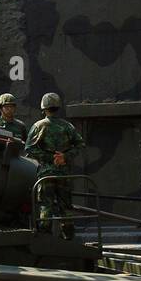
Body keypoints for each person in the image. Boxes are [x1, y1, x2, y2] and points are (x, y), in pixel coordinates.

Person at [26, 92, 84, 237]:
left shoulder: (39, 126)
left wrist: (49, 158)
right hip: (63, 173)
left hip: (46, 174)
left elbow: (29, 148)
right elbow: (80, 144)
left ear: (43, 107)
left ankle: (44, 237)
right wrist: (64, 157)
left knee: (46, 205)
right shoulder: (67, 126)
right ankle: (69, 238)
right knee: (66, 207)